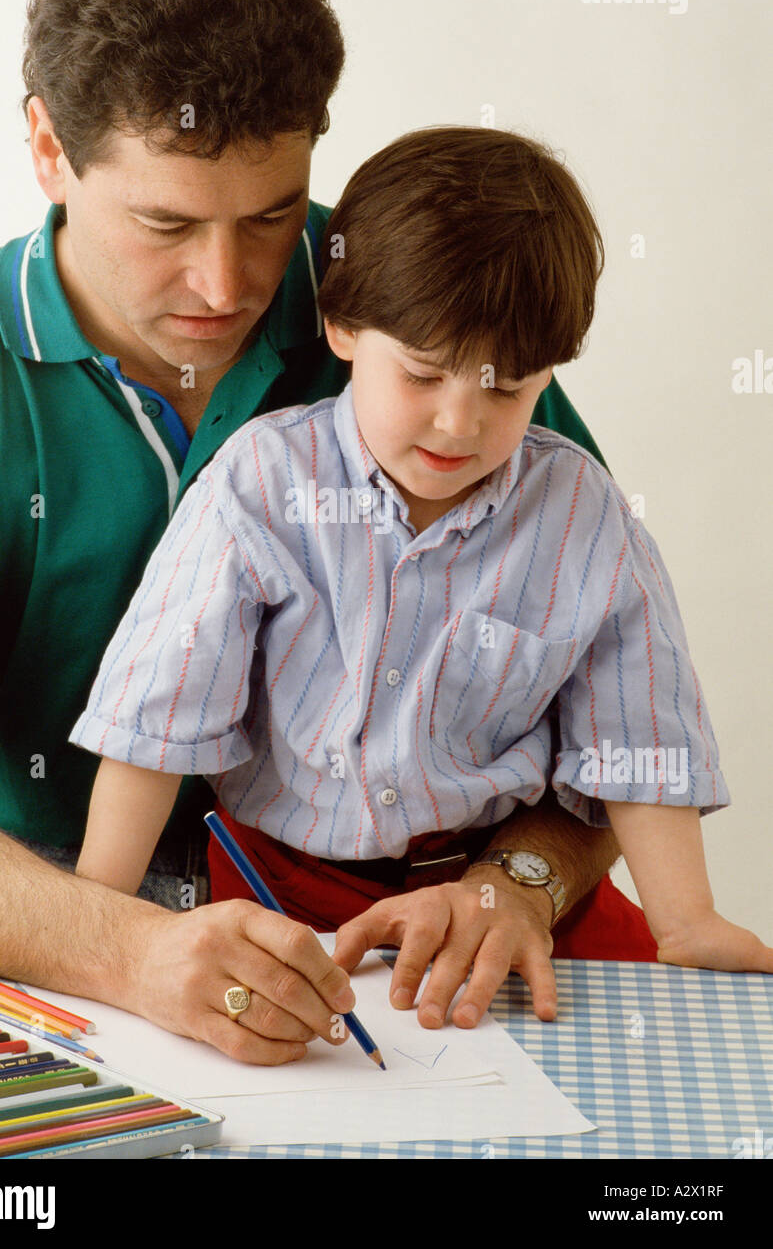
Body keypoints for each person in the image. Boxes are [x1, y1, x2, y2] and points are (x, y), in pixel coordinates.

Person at [0, 0, 657, 1067]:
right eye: (165, 221)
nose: (226, 280)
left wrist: (517, 882)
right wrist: (127, 945)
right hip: (76, 929)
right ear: (48, 148)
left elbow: (615, 713)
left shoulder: (423, 319)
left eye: (268, 214)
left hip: (422, 950)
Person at [70, 125, 773, 1031]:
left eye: (506, 389)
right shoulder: (260, 485)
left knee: (630, 1052)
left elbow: (640, 736)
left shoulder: (580, 512)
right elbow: (155, 721)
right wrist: (103, 917)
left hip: (512, 883)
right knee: (312, 1070)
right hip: (290, 889)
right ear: (343, 327)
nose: (457, 422)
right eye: (423, 374)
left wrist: (685, 920)